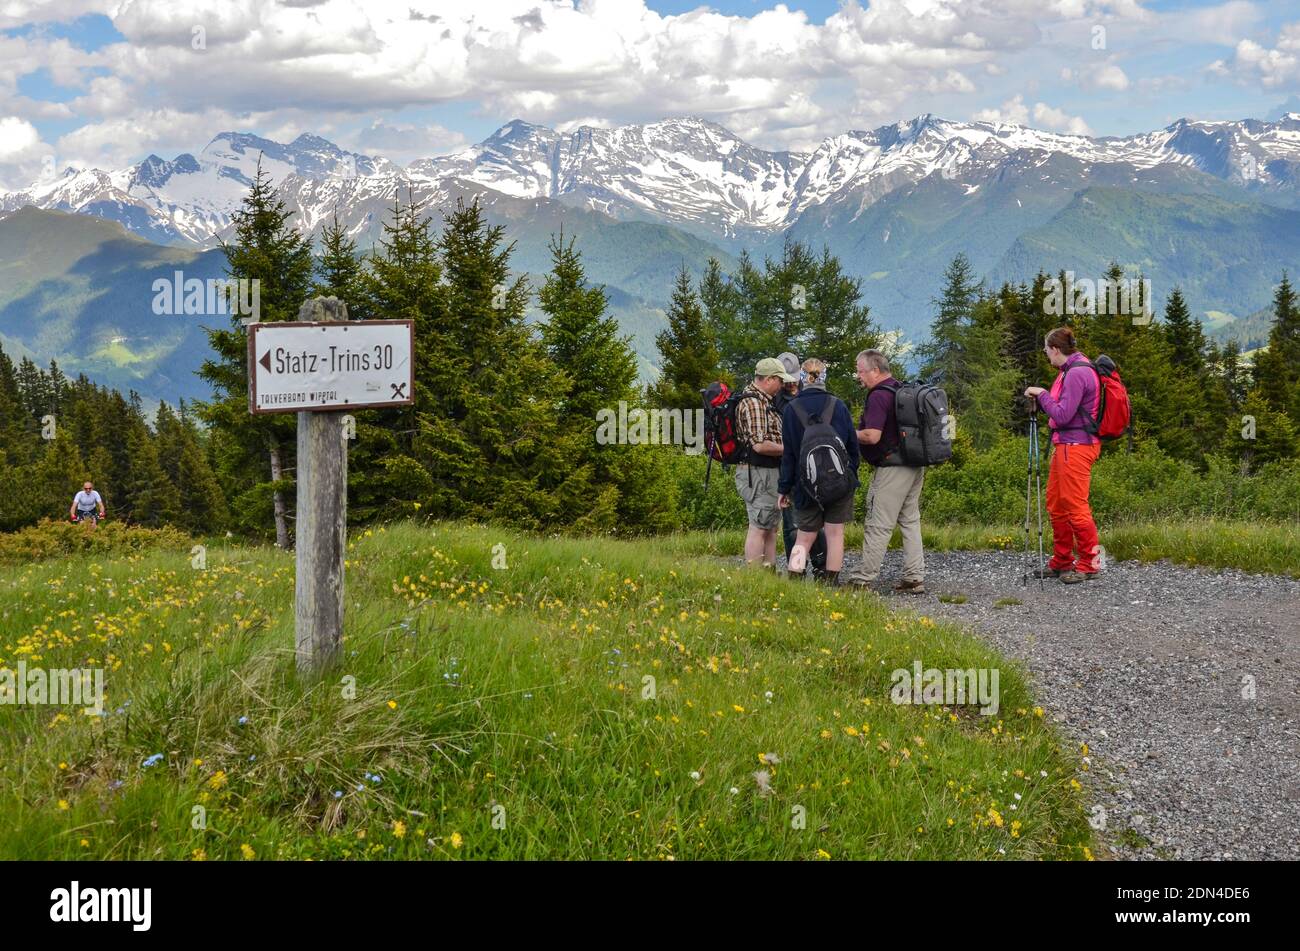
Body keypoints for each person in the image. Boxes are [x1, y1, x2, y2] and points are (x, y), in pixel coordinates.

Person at [1024, 327, 1102, 583]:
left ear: (1056, 349)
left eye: (1047, 350)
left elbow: (1062, 414)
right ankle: (1062, 560)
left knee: (1075, 507)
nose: (1046, 355)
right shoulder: (1070, 370)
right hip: (1066, 446)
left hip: (1076, 447)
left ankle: (1090, 564)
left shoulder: (1077, 373)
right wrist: (1044, 397)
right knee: (1056, 504)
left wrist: (1042, 395)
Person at [844, 349, 926, 594]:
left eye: (860, 371)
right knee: (910, 520)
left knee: (878, 522)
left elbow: (872, 436)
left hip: (892, 467)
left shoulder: (879, 396)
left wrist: (845, 432)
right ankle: (914, 576)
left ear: (875, 370)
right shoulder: (900, 389)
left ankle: (863, 578)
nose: (859, 376)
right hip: (913, 463)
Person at [778, 358, 858, 585]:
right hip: (839, 482)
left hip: (805, 484)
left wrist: (784, 488)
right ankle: (830, 583)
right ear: (824, 378)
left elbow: (789, 455)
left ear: (802, 379)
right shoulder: (838, 405)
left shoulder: (792, 410)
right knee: (835, 534)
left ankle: (794, 581)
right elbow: (852, 446)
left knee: (803, 536)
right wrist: (849, 475)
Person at [733, 357, 795, 566]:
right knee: (759, 526)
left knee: (769, 526)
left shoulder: (763, 401)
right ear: (769, 379)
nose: (782, 385)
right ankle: (755, 577)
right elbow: (759, 445)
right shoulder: (754, 403)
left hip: (765, 472)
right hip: (759, 472)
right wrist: (792, 450)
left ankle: (768, 572)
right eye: (780, 380)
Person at [775, 351, 827, 576]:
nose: (791, 384)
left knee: (804, 527)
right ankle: (806, 570)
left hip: (801, 471)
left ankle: (809, 569)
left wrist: (784, 487)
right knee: (795, 527)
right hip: (805, 470)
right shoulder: (811, 399)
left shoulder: (792, 401)